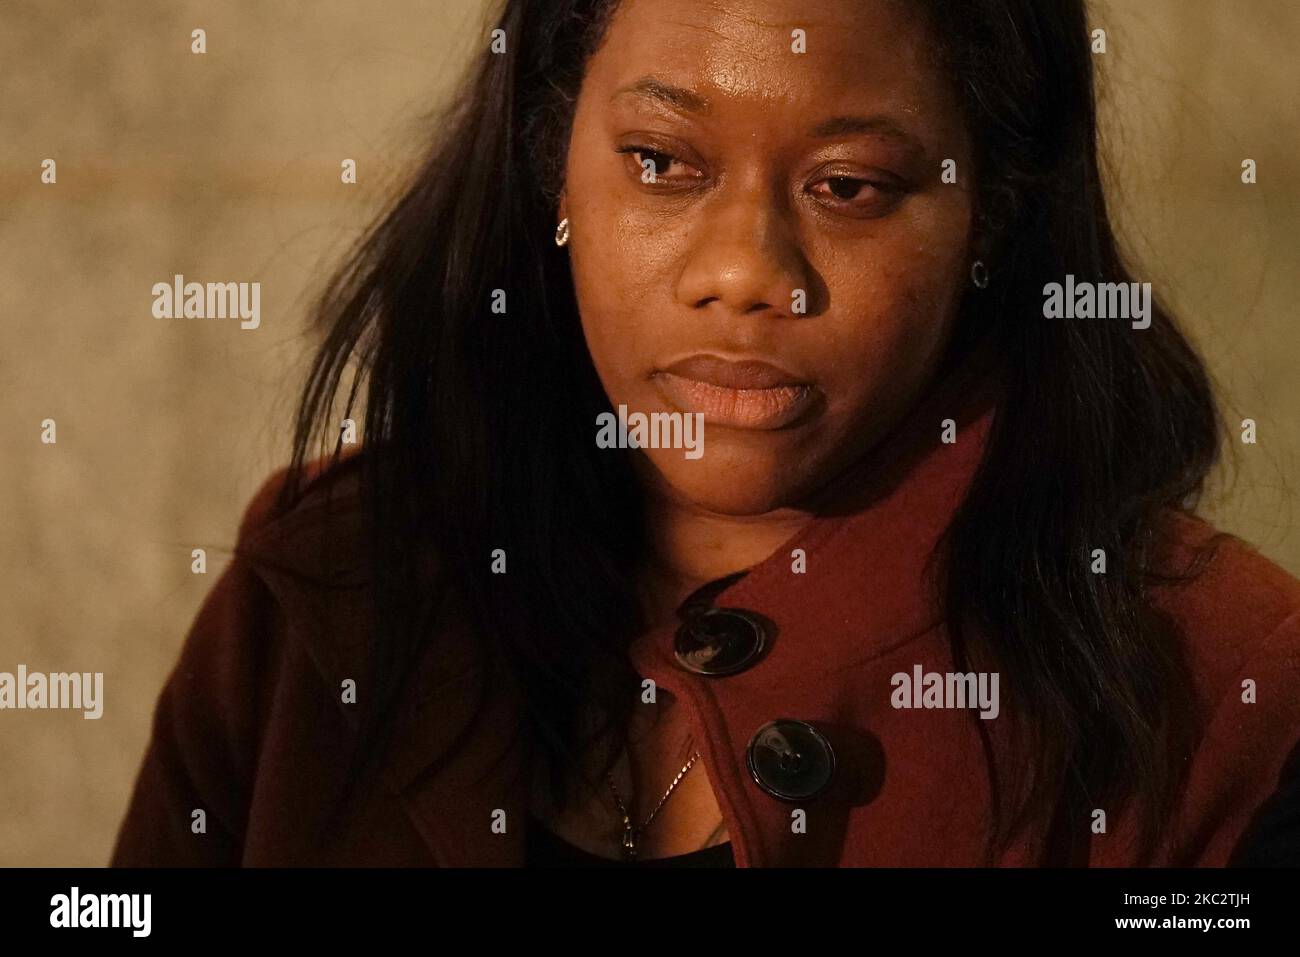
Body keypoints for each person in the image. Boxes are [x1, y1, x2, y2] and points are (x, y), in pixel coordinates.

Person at [111, 0, 1300, 867]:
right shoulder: (328, 587)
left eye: (848, 186)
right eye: (659, 162)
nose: (743, 274)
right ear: (553, 173)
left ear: (987, 216)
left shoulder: (1224, 686)